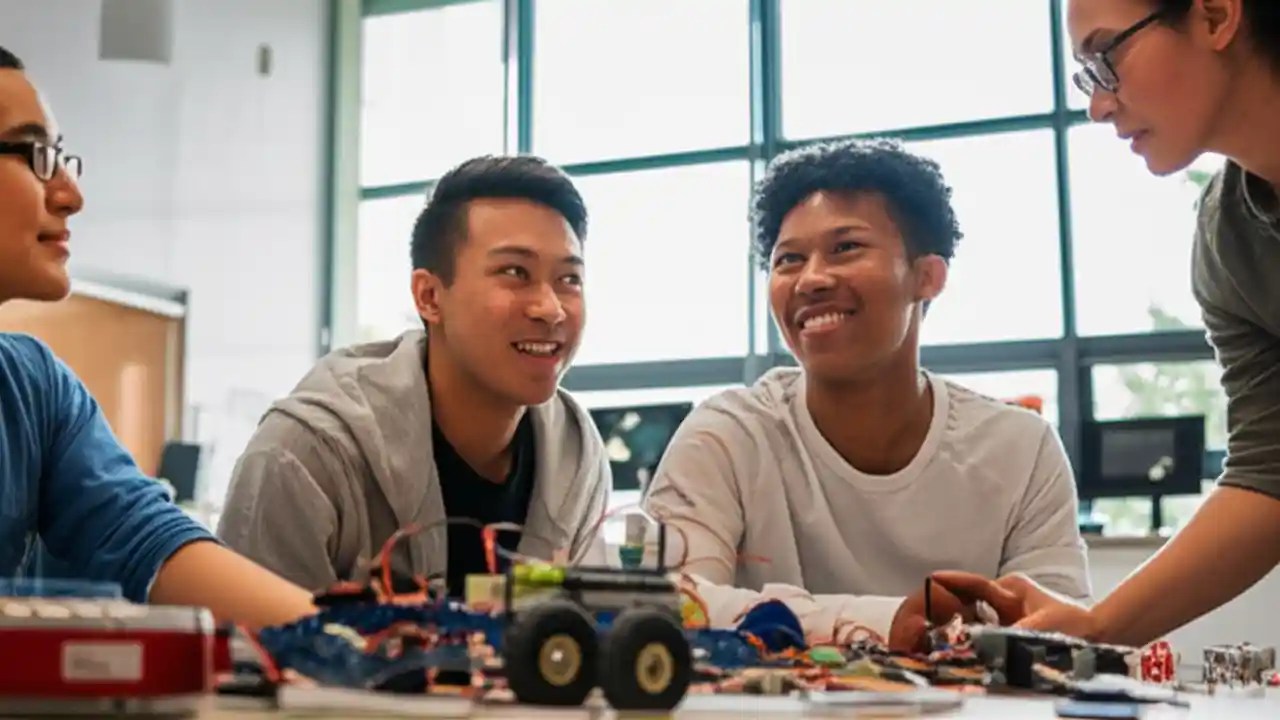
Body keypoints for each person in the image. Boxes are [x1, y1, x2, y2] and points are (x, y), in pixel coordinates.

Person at [642, 138, 1090, 652]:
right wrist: (885, 622)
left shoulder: (1021, 450)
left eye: (845, 248)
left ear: (927, 276)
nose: (811, 279)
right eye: (789, 259)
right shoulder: (727, 435)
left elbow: (1061, 637)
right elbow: (671, 604)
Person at [934, 0, 1280, 649]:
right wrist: (1098, 625)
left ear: (1214, 15)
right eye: (1086, 76)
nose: (1097, 106)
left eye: (1105, 57)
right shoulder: (1228, 238)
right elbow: (1270, 471)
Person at [0, 45, 314, 628]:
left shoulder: (33, 390)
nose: (70, 195)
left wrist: (357, 644)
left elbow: (147, 541)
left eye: (62, 159)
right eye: (36, 155)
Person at [219, 155, 611, 597]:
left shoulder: (577, 455)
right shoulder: (307, 454)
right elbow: (248, 635)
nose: (551, 309)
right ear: (429, 297)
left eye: (569, 279)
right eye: (515, 273)